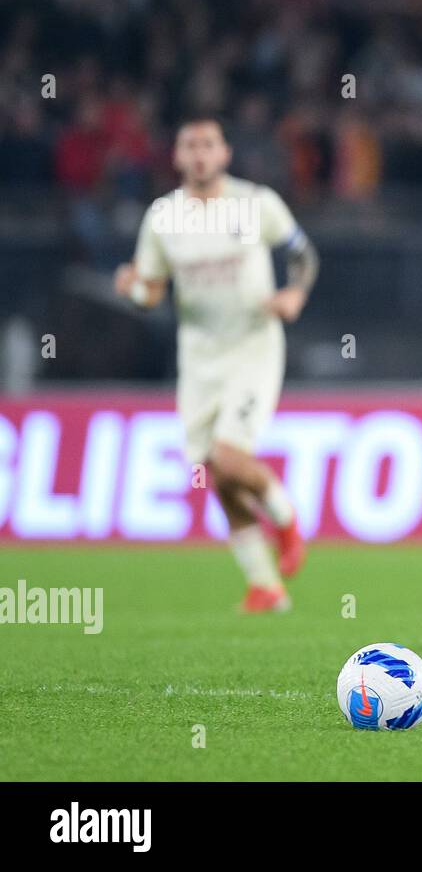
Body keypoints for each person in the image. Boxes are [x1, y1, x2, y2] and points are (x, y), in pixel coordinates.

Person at [113, 117, 319, 612]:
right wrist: (134, 290)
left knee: (228, 459)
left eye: (209, 144)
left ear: (225, 153)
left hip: (252, 345)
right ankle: (264, 585)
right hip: (199, 356)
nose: (200, 154)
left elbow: (304, 255)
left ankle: (286, 520)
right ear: (178, 157)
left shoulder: (255, 204)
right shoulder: (163, 218)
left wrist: (294, 294)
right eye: (190, 145)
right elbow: (152, 291)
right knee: (214, 472)